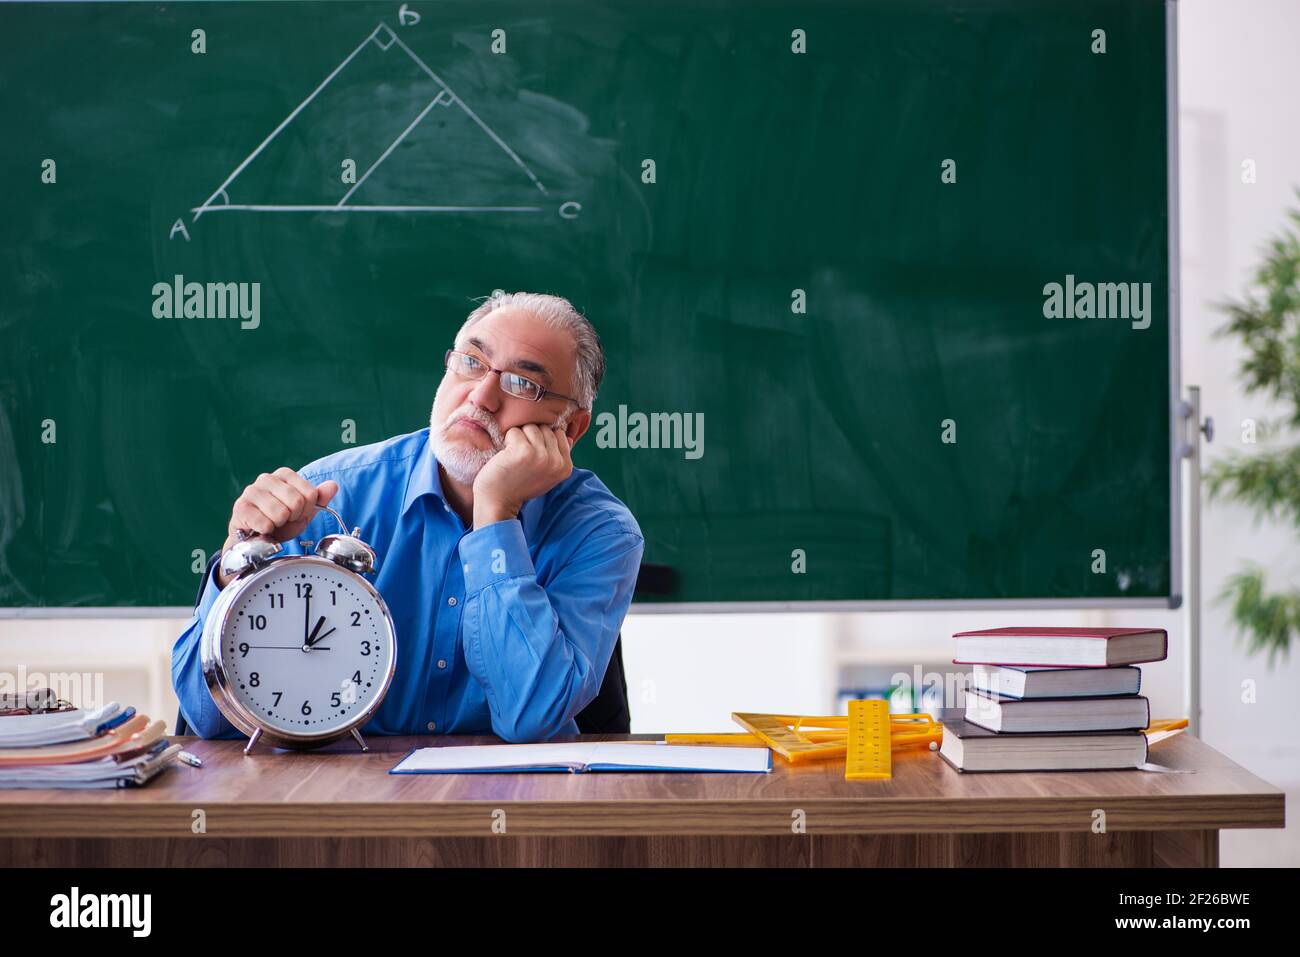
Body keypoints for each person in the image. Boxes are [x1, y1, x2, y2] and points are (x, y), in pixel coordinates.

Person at [171, 291, 644, 742]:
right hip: (338, 800)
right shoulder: (332, 495)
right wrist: (239, 554)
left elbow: (530, 718)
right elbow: (207, 715)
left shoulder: (599, 533)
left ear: (572, 427)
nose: (481, 397)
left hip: (510, 811)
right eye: (471, 363)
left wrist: (496, 513)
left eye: (523, 382)